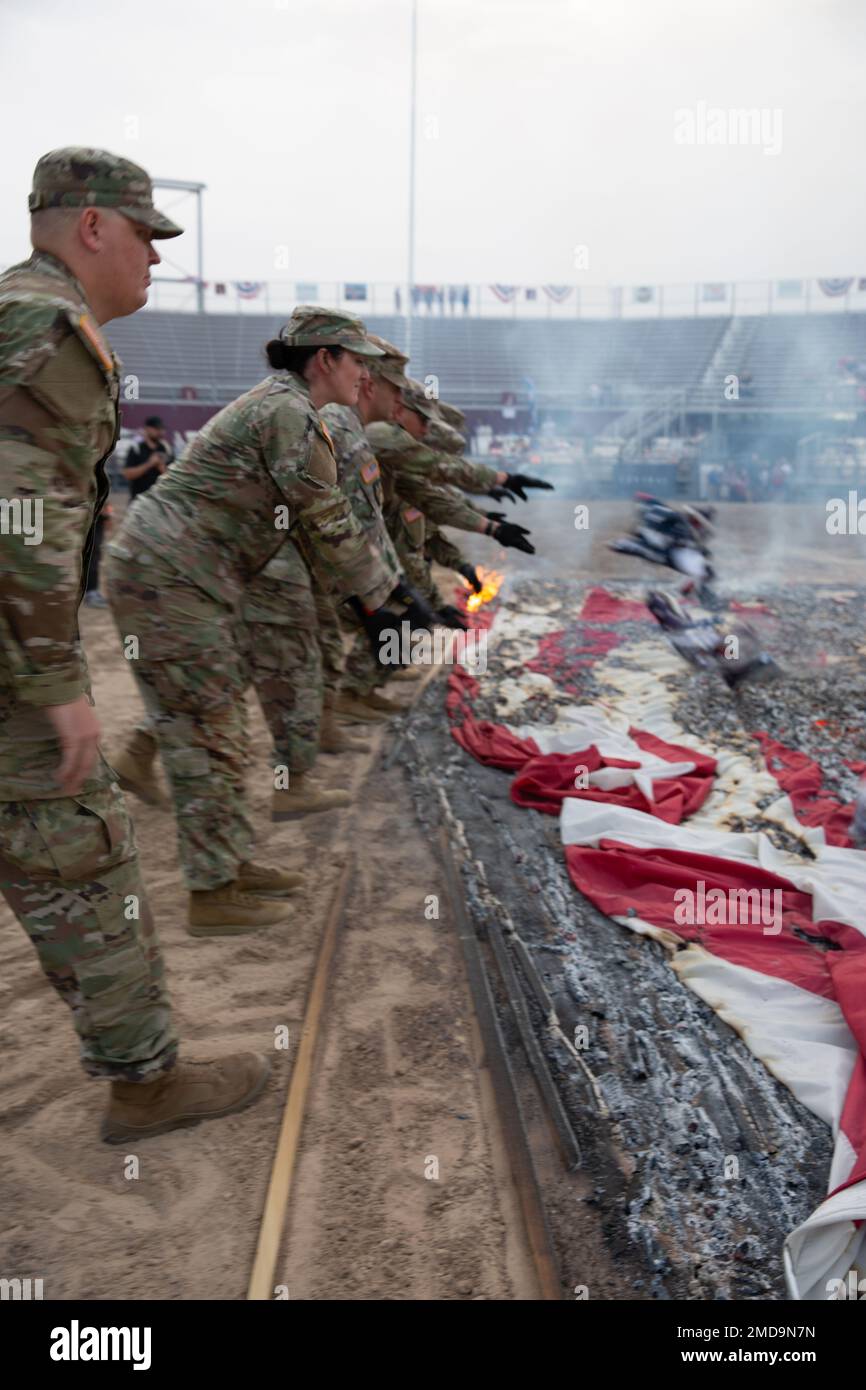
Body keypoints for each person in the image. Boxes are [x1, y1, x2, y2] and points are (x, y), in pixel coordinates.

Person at [0, 146, 269, 1143]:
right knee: (85, 860)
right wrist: (56, 674)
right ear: (92, 227)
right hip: (13, 672)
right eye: (146, 238)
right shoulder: (49, 329)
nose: (156, 261)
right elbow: (16, 512)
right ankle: (144, 1081)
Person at [104, 306, 428, 936]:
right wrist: (388, 596)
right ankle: (212, 892)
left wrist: (380, 603)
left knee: (215, 724)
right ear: (325, 359)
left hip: (186, 579)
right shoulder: (287, 412)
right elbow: (327, 515)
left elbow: (309, 532)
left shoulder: (293, 408)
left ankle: (226, 865)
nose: (365, 374)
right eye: (357, 361)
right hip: (171, 578)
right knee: (207, 730)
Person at [122, 415, 173, 499]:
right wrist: (149, 464)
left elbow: (173, 479)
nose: (160, 432)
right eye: (157, 429)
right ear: (147, 429)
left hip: (160, 501)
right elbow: (127, 474)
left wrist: (162, 467)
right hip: (139, 500)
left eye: (162, 429)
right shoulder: (136, 448)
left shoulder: (166, 449)